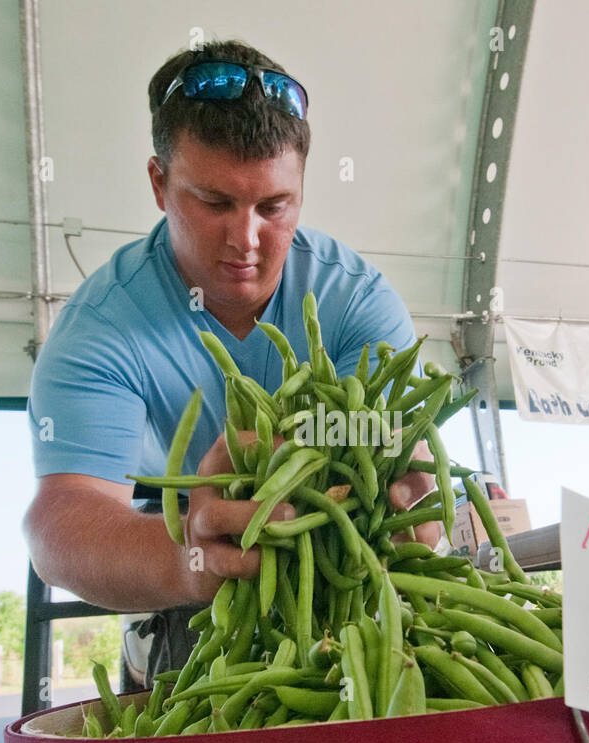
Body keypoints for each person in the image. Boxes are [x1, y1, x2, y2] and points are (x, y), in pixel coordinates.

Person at [23, 39, 438, 690]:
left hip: (346, 572)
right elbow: (58, 523)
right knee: (199, 705)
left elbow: (399, 467)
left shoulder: (355, 299)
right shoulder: (104, 324)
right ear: (159, 184)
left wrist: (406, 498)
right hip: (188, 575)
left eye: (274, 206)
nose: (246, 239)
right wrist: (193, 560)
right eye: (214, 203)